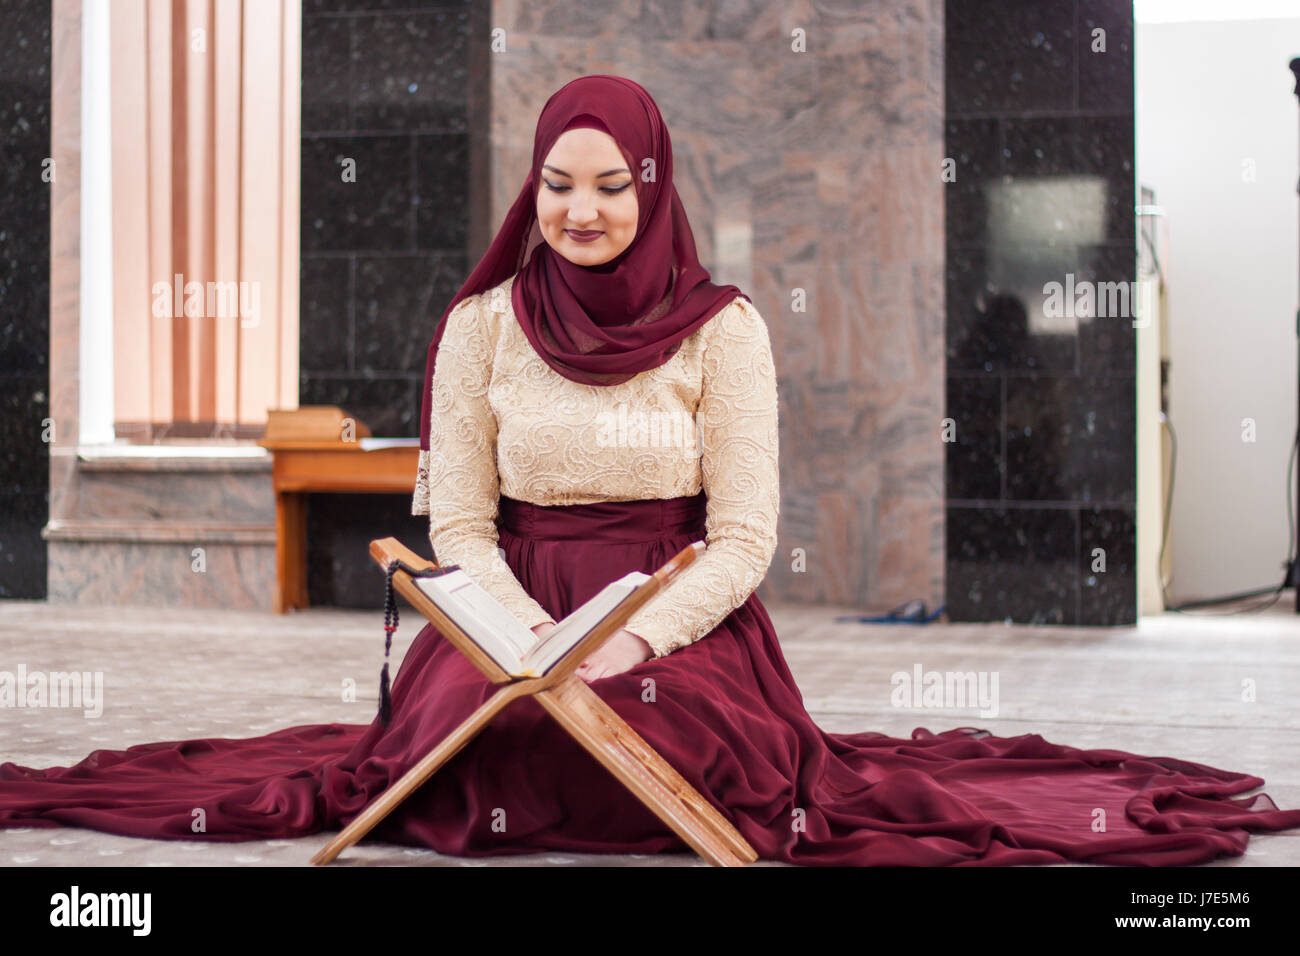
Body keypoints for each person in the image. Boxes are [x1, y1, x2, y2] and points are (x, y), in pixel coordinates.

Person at [3, 74, 1300, 866]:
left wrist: (614, 643)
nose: (582, 212)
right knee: (482, 738)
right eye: (559, 185)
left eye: (610, 185)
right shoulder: (478, 327)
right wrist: (521, 640)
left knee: (687, 754)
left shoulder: (724, 329)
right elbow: (458, 514)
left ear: (651, 184)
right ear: (535, 189)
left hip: (669, 612)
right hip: (507, 608)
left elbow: (743, 539)